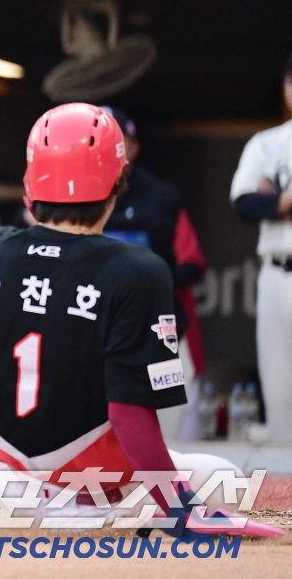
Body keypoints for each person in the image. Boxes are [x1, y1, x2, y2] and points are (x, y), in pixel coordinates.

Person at [0, 103, 282, 538]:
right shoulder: (137, 271)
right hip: (94, 479)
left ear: (31, 189)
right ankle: (109, 518)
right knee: (225, 479)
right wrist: (180, 509)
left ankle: (59, 519)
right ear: (117, 187)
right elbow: (130, 412)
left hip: (4, 481)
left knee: (37, 489)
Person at [101, 106, 208, 441]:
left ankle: (171, 493)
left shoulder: (161, 197)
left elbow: (192, 263)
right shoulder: (68, 199)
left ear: (133, 146)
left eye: (119, 142)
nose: (112, 152)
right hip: (94, 329)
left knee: (168, 435)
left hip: (159, 330)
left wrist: (140, 282)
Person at [230, 50, 292, 444]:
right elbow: (243, 202)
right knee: (279, 386)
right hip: (276, 272)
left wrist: (277, 198)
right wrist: (282, 202)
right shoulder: (267, 144)